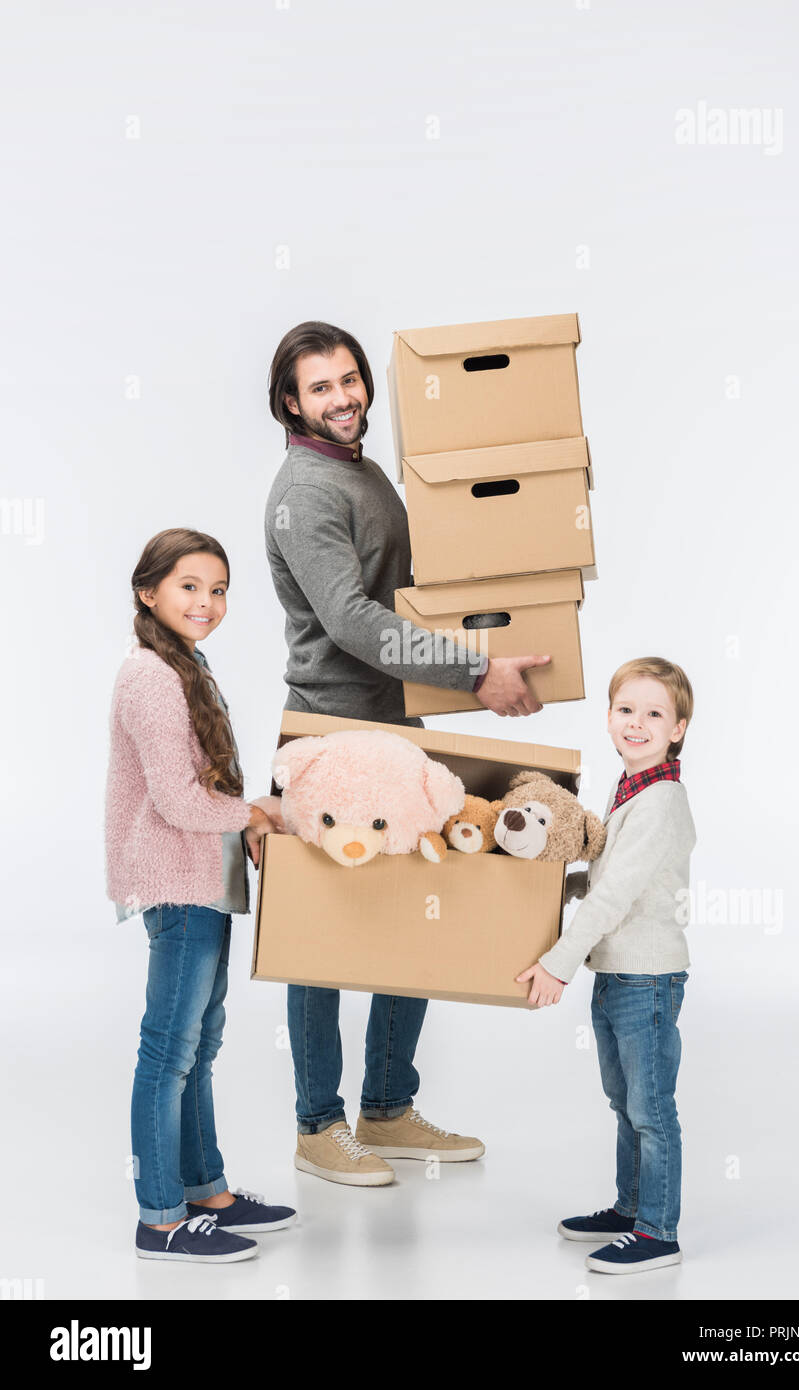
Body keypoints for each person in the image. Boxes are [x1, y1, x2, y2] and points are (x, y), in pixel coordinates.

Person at [264, 320, 552, 1185]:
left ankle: (386, 1108)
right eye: (320, 387)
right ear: (290, 404)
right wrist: (474, 672)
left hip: (399, 722)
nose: (342, 397)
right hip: (331, 731)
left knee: (413, 912)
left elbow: (414, 585)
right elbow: (352, 621)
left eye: (349, 379)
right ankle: (318, 1127)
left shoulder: (362, 471)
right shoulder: (305, 491)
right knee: (319, 935)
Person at [104, 527, 296, 1262]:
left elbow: (200, 788)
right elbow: (178, 801)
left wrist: (246, 824)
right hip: (178, 883)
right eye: (189, 586)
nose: (206, 602)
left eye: (218, 590)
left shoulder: (186, 665)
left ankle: (204, 1190)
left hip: (206, 881)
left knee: (199, 1045)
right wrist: (257, 812)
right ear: (147, 591)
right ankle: (160, 1219)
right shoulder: (150, 676)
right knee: (168, 1051)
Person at [516, 656, 696, 1274]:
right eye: (626, 710)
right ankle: (630, 1208)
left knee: (651, 1109)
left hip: (646, 978)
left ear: (677, 729)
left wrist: (557, 963)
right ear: (609, 717)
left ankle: (658, 1233)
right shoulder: (632, 790)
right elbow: (608, 880)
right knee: (623, 1102)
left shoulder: (661, 801)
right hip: (616, 972)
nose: (637, 723)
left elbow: (616, 896)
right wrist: (555, 889)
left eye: (654, 714)